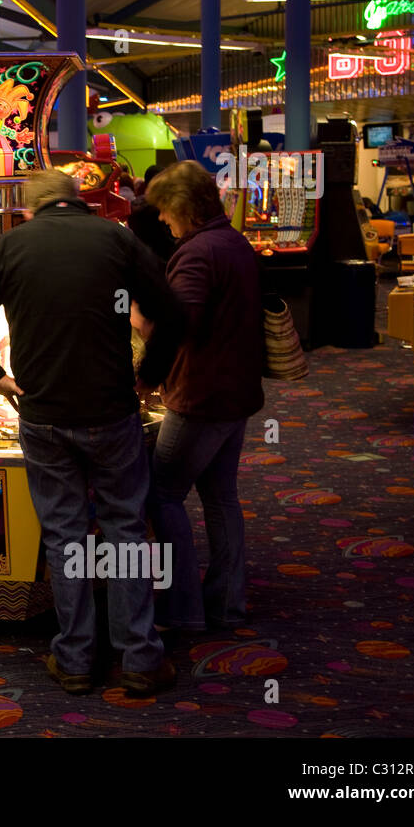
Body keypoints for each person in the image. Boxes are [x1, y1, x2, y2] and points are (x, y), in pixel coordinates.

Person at [0, 169, 185, 696]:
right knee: (125, 532)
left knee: (65, 535)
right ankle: (139, 658)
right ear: (78, 202)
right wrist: (149, 375)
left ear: (30, 209)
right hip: (112, 410)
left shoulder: (10, 245)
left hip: (43, 413)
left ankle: (74, 659)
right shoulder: (117, 237)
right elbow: (171, 312)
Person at [141, 161, 264, 632]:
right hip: (236, 390)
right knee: (220, 498)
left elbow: (179, 324)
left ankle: (182, 609)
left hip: (201, 396)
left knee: (162, 496)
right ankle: (226, 605)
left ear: (183, 207)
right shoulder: (233, 241)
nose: (159, 219)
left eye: (164, 210)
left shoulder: (197, 253)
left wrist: (138, 317)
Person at [128, 164, 176, 264]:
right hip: (164, 264)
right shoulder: (159, 208)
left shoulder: (134, 206)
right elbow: (168, 242)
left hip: (141, 264)